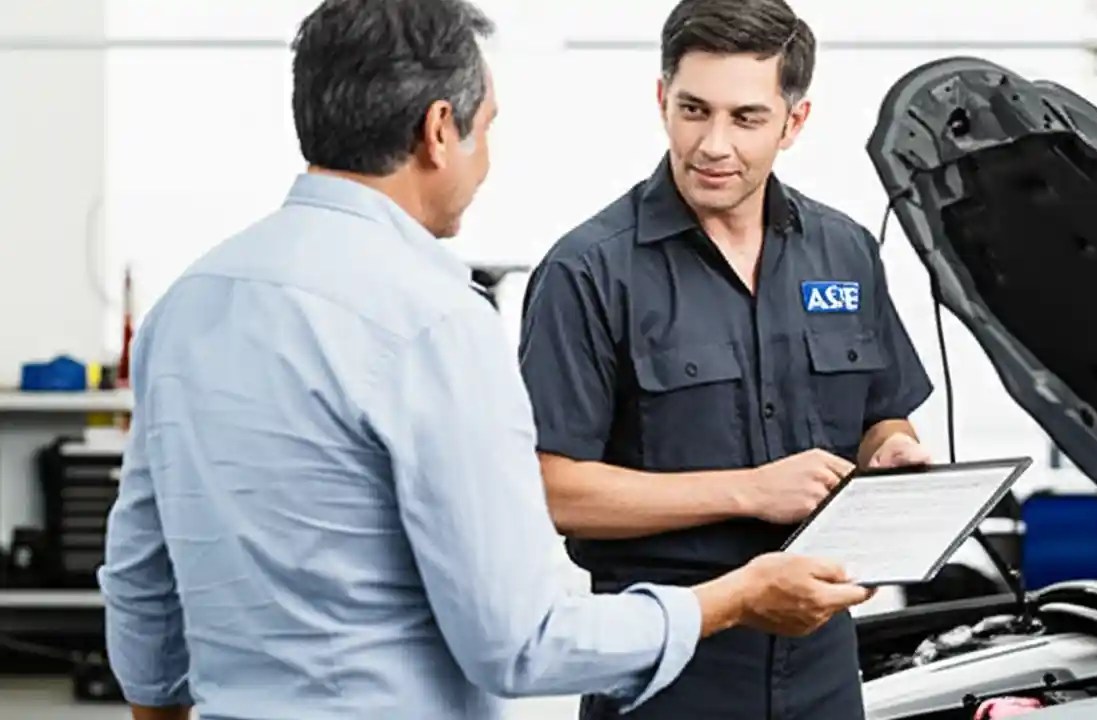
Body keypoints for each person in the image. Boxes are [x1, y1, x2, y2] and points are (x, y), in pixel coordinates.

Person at [95, 2, 878, 720]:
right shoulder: (436, 317)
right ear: (441, 130)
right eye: (487, 127)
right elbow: (520, 642)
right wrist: (734, 599)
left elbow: (140, 577)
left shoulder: (188, 304)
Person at [517, 0, 935, 718]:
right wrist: (747, 490)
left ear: (793, 122)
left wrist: (892, 451)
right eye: (693, 110)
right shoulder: (588, 272)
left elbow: (881, 415)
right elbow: (550, 489)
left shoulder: (845, 251)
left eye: (745, 118)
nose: (713, 144)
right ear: (660, 100)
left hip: (827, 665)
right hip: (667, 667)